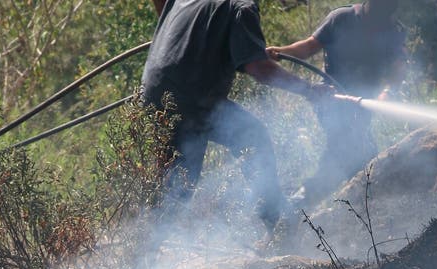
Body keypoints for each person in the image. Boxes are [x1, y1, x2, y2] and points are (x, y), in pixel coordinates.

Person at [142, 0, 330, 242]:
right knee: (251, 138)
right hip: (190, 97)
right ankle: (279, 226)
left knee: (173, 179)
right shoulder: (242, 7)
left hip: (152, 90)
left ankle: (146, 247)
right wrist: (311, 91)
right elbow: (259, 68)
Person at [269, 0, 406, 207]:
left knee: (359, 160)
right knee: (351, 154)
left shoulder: (393, 31)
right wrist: (280, 51)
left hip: (361, 107)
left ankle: (303, 207)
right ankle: (301, 208)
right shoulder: (341, 19)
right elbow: (307, 48)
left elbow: (398, 69)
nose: (379, 22)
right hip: (331, 100)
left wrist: (388, 91)